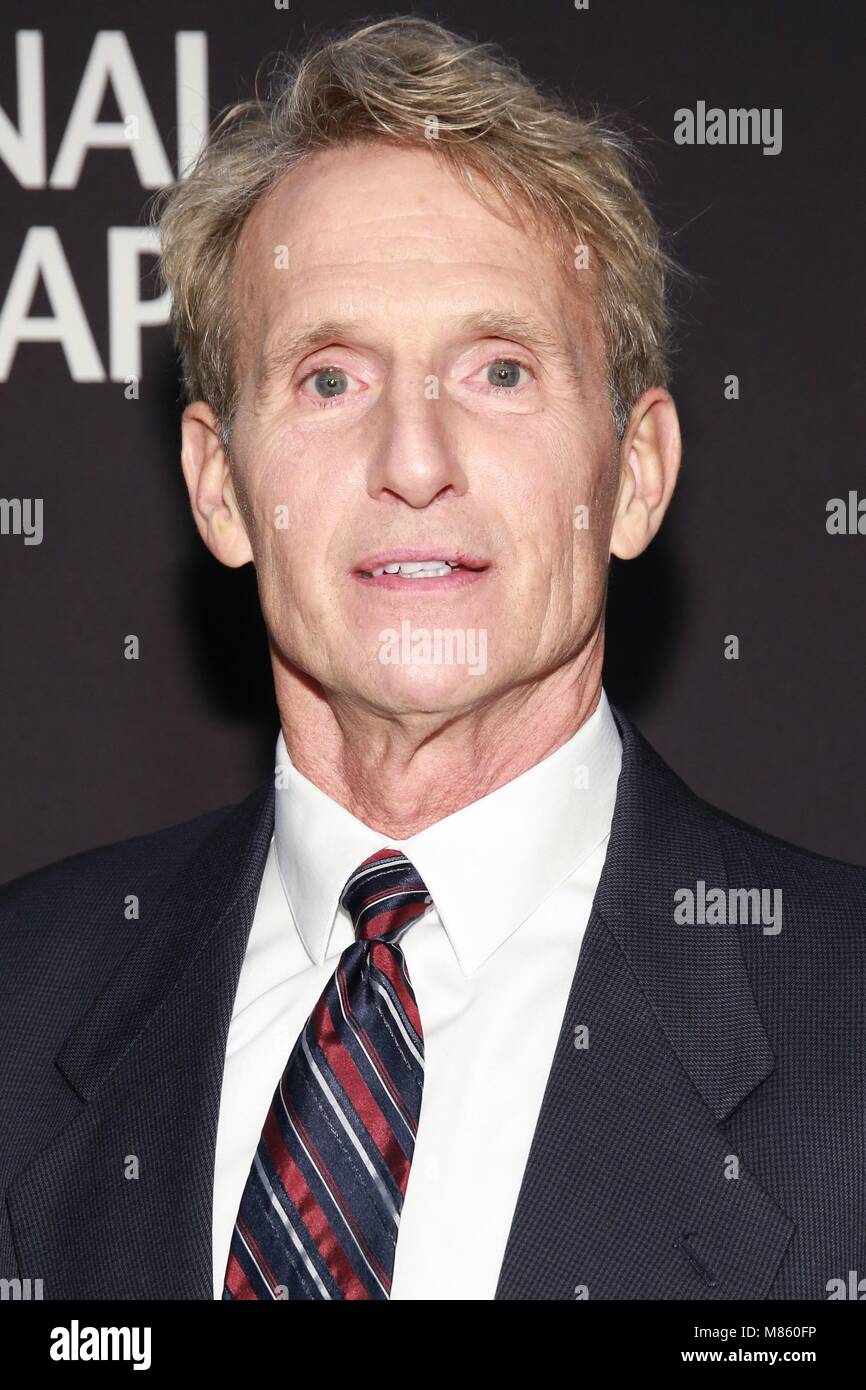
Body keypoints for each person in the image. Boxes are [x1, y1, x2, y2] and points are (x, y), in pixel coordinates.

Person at [1, 16, 863, 1302]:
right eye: (331, 379)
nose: (414, 459)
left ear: (631, 477)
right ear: (219, 488)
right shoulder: (22, 998)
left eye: (499, 369)